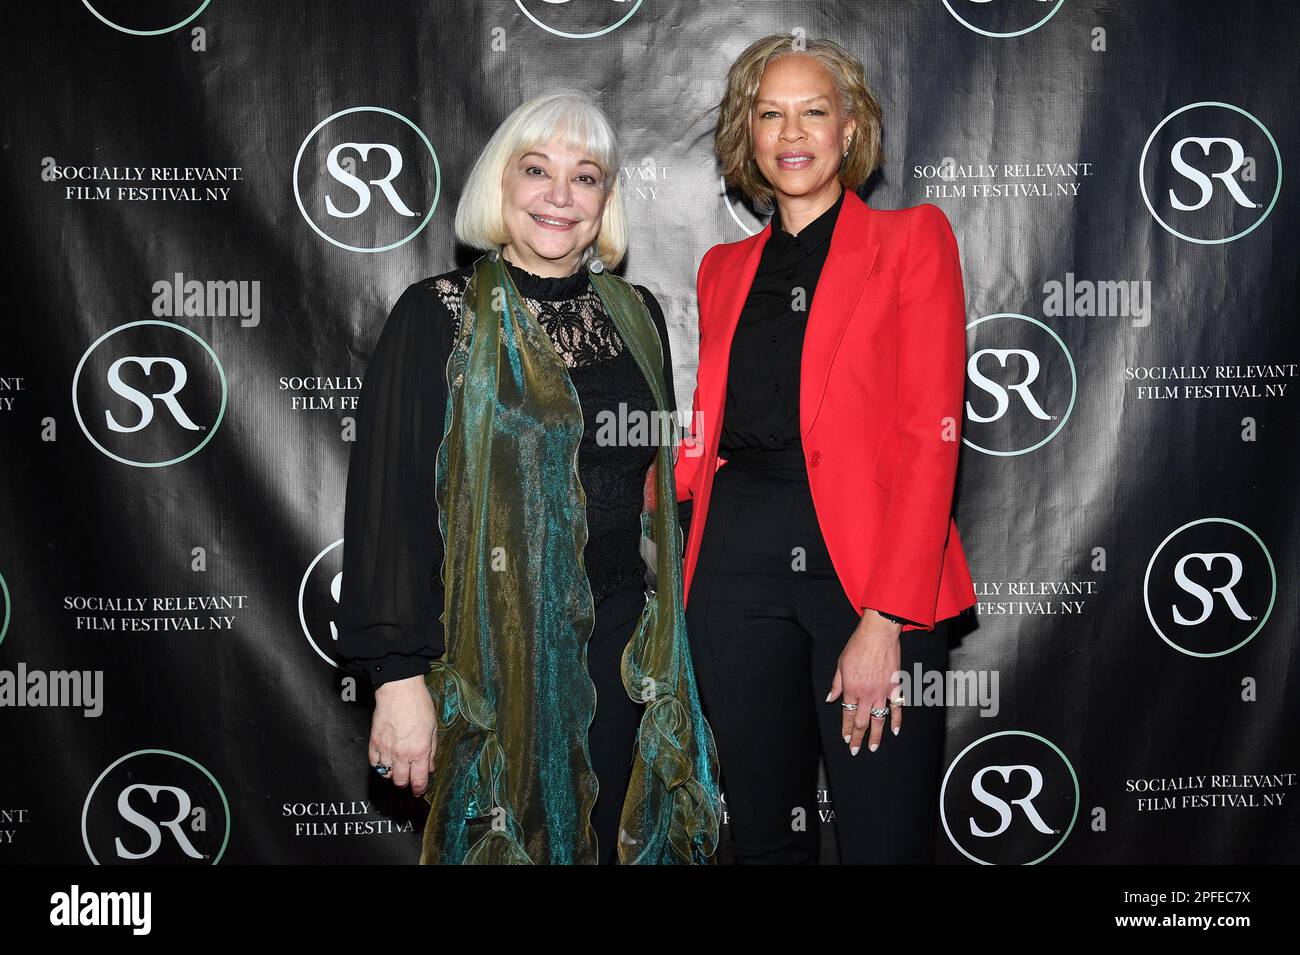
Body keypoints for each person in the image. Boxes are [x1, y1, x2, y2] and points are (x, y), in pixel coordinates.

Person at [335, 90, 718, 865]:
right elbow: (388, 509)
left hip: (623, 654)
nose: (559, 196)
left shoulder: (635, 312)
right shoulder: (436, 315)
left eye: (585, 178)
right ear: (499, 185)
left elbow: (655, 495)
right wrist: (397, 680)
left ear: (605, 200)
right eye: (537, 170)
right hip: (485, 659)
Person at [675, 35, 977, 863]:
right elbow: (707, 432)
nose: (792, 130)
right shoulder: (722, 268)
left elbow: (929, 437)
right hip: (735, 564)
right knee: (764, 833)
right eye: (769, 113)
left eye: (814, 110)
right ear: (749, 134)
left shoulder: (912, 240)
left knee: (883, 833)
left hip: (873, 569)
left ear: (850, 130)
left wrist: (888, 616)